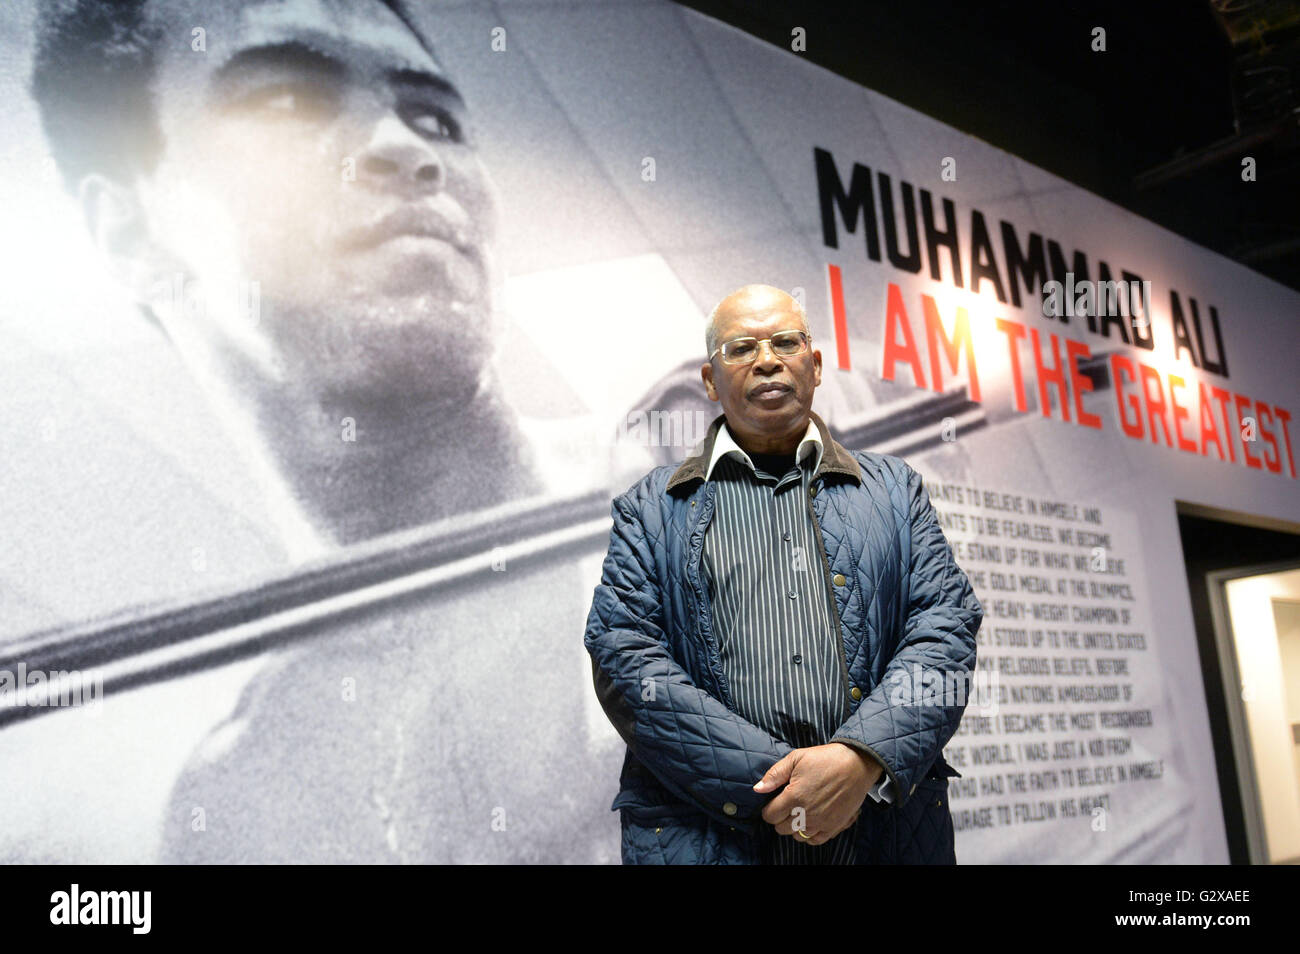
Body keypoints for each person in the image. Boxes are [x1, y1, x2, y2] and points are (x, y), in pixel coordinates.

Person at [27, 0, 618, 862]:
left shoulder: (732, 498)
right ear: (129, 230)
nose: (407, 149)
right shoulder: (243, 804)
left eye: (434, 117)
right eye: (287, 107)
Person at [584, 284, 984, 864]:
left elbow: (944, 628)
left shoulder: (895, 490)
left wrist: (858, 761)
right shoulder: (649, 507)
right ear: (710, 380)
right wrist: (784, 788)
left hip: (880, 833)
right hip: (713, 840)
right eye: (741, 347)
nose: (766, 359)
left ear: (814, 364)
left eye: (785, 341)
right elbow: (624, 654)